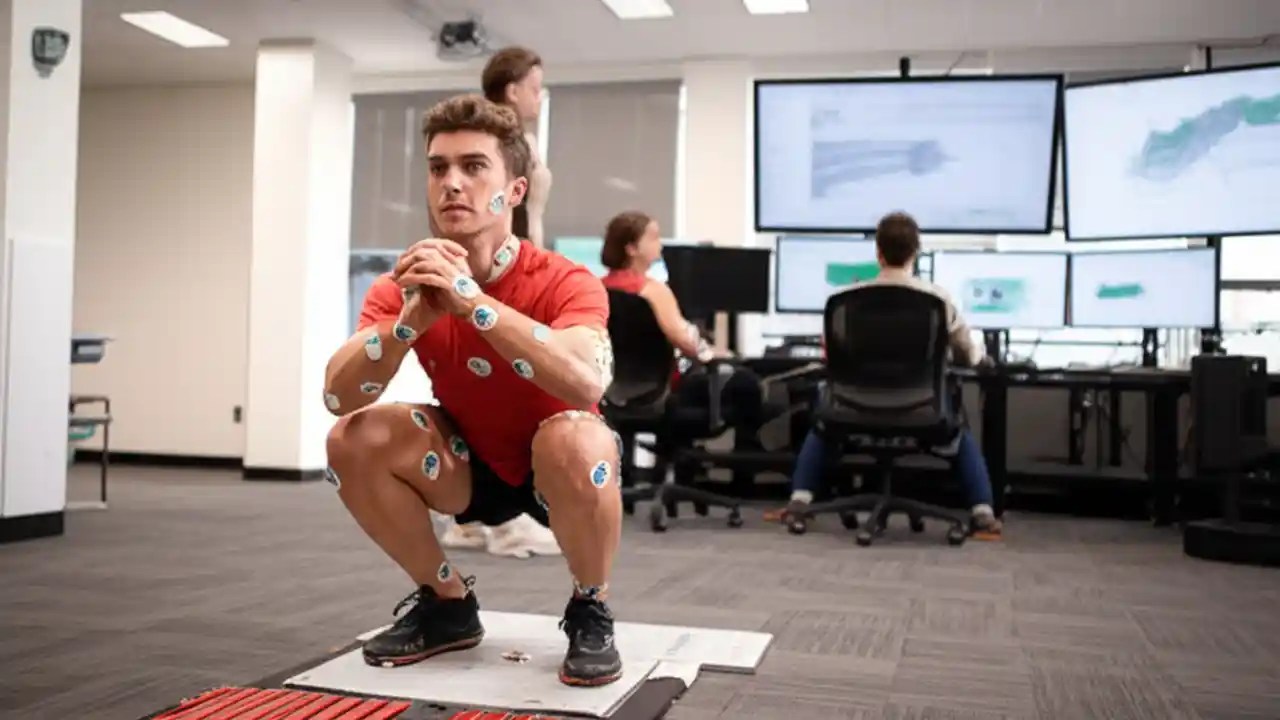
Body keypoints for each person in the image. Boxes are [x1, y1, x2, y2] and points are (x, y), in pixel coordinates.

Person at [324, 94, 624, 687]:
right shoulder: (408, 282)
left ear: (514, 190)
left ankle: (590, 605)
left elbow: (588, 379)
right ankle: (448, 605)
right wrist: (410, 322)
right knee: (354, 437)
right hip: (468, 463)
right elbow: (339, 396)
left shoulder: (566, 279)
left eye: (473, 166)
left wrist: (474, 304)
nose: (451, 184)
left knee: (575, 436)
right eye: (438, 168)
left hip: (558, 467)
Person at [782, 211, 1002, 534]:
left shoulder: (843, 299)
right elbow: (968, 355)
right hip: (920, 410)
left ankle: (799, 503)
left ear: (878, 252)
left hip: (852, 408)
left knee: (822, 426)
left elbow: (832, 356)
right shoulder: (937, 300)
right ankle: (983, 511)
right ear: (916, 252)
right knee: (959, 430)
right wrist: (983, 360)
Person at [432, 46, 558, 557]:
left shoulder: (511, 143)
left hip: (508, 268)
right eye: (534, 86)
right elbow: (500, 217)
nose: (540, 96)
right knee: (495, 391)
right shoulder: (505, 146)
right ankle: (498, 519)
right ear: (512, 89)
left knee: (489, 389)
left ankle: (471, 521)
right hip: (497, 273)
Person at [598, 211, 769, 447]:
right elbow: (687, 343)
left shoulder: (598, 289)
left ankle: (670, 461)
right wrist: (714, 353)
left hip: (611, 394)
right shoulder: (653, 291)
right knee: (747, 384)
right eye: (654, 237)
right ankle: (745, 469)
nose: (660, 243)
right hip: (658, 395)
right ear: (631, 248)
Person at [482, 46, 551, 250]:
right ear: (513, 92)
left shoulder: (527, 142)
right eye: (535, 90)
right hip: (507, 251)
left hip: (528, 249)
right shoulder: (491, 144)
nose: (539, 98)